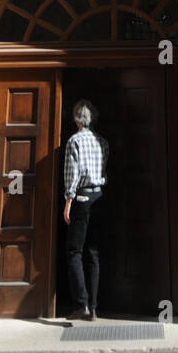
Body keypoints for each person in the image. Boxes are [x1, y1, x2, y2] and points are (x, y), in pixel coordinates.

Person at [63, 100, 109, 321]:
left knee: (74, 251)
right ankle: (94, 306)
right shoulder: (102, 142)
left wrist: (68, 200)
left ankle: (81, 304)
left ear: (76, 119)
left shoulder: (74, 141)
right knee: (93, 253)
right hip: (99, 195)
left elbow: (73, 172)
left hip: (81, 197)